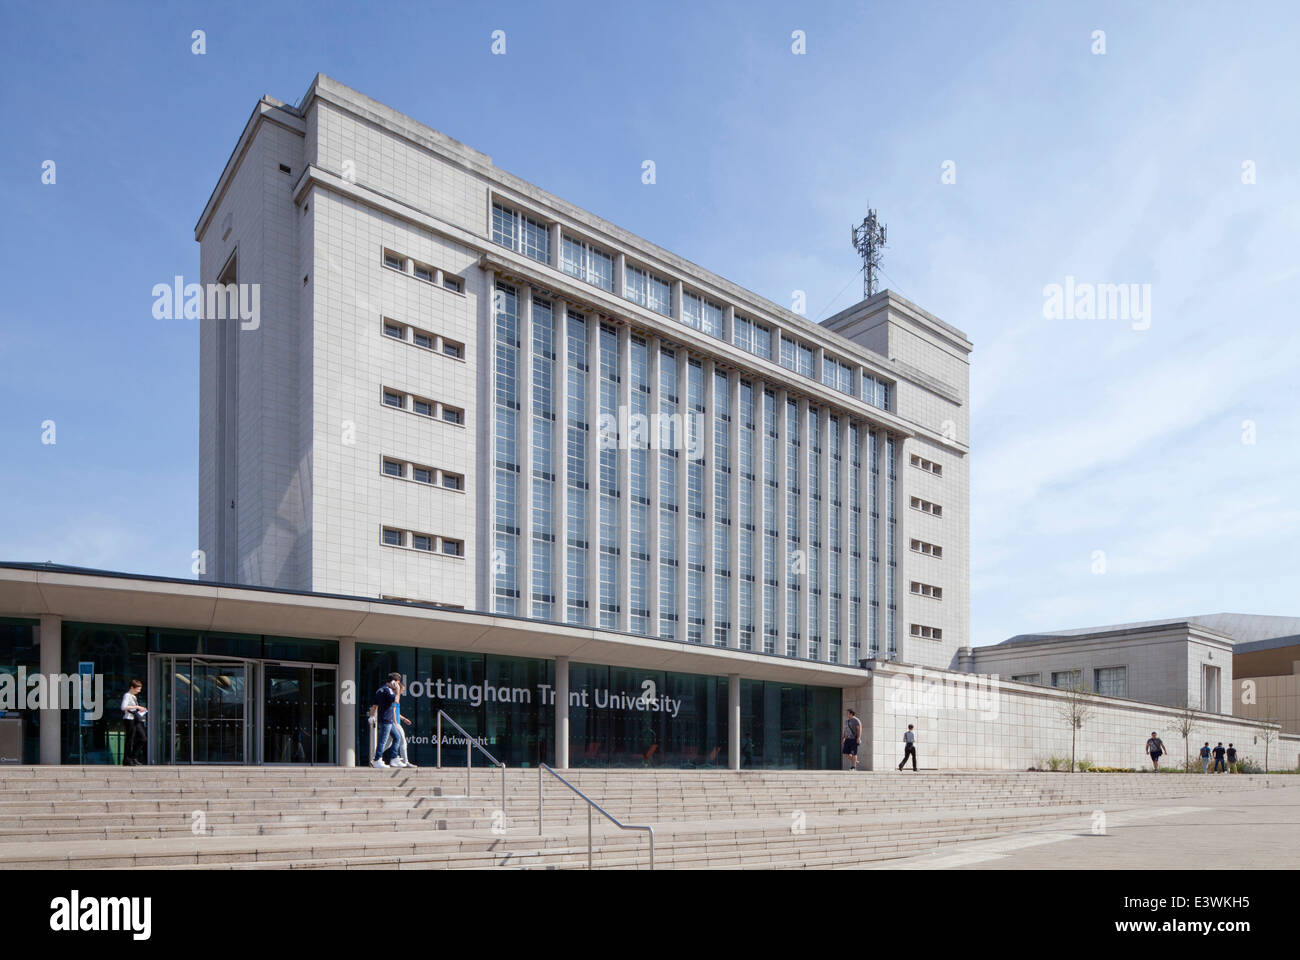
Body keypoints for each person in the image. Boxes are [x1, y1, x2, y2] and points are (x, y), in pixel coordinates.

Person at [368, 672, 402, 768]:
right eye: (397, 683)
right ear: (393, 682)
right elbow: (396, 701)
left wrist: (371, 716)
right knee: (383, 740)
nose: (398, 685)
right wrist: (398, 690)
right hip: (386, 720)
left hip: (387, 720)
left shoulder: (379, 690)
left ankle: (394, 758)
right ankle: (377, 759)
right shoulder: (388, 691)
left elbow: (375, 705)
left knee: (397, 737)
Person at [120, 679, 147, 766]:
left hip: (134, 719)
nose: (139, 691)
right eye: (137, 689)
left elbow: (133, 708)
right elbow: (123, 707)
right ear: (132, 687)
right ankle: (127, 760)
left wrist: (141, 710)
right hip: (129, 719)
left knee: (143, 738)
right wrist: (137, 707)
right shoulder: (127, 695)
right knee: (130, 740)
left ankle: (132, 757)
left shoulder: (133, 696)